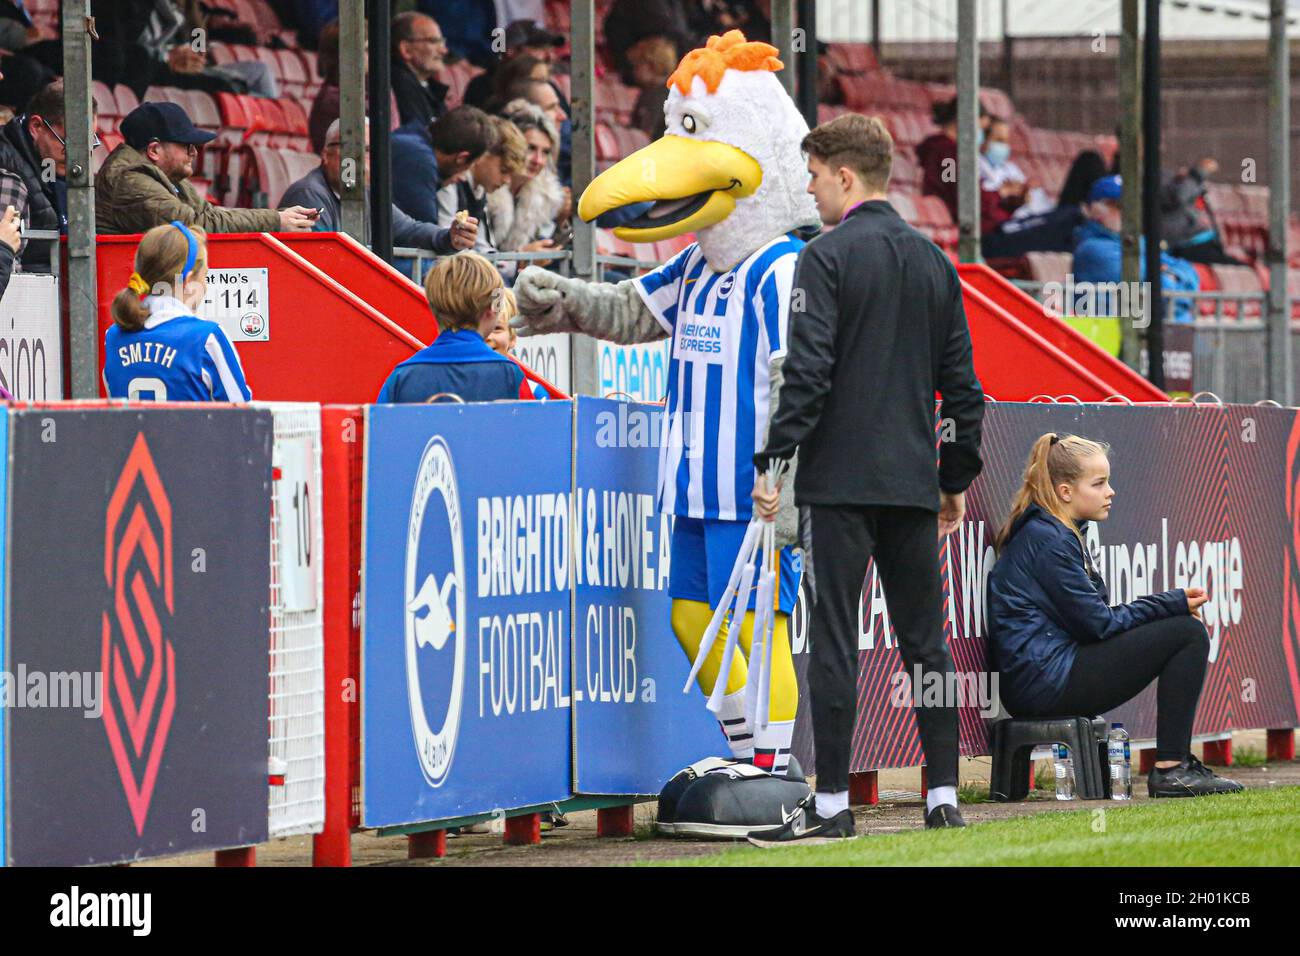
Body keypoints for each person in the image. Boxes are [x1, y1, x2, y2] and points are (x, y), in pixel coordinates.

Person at [750, 113, 985, 844]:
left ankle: (831, 809)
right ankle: (942, 797)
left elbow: (807, 375)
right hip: (911, 485)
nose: (810, 190)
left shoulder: (823, 257)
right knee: (927, 645)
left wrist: (773, 462)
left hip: (838, 485)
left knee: (833, 642)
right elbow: (964, 390)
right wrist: (952, 477)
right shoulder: (935, 262)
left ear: (845, 176)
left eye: (816, 176)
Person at [986, 433, 1244, 798]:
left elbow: (1095, 620)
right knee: (1186, 633)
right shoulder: (1049, 540)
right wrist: (1169, 603)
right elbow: (1099, 625)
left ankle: (1175, 766)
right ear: (1065, 492)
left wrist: (1168, 606)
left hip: (1045, 677)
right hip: (1043, 685)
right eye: (1099, 483)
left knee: (1182, 628)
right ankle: (1172, 770)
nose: (1111, 492)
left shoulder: (1058, 531)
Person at [96, 101, 318, 235]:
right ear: (154, 150)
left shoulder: (166, 176)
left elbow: (209, 214)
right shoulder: (129, 180)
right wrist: (275, 221)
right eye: (187, 146)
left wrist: (280, 216)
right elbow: (195, 226)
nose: (194, 153)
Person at [102, 220, 252, 402]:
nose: (205, 285)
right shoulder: (206, 338)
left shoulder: (114, 336)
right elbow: (242, 414)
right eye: (205, 276)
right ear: (188, 281)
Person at [279, 119, 478, 254]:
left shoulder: (365, 193)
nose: (360, 159)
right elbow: (321, 258)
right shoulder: (309, 194)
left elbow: (410, 230)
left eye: (368, 150)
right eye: (350, 149)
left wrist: (450, 237)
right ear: (326, 155)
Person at [376, 252, 533, 403]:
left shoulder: (401, 377)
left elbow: (379, 421)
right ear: (493, 309)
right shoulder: (510, 375)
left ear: (434, 307)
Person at [1072, 174, 1199, 324]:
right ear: (1096, 209)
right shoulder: (1092, 250)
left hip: (1162, 333)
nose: (1127, 214)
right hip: (1114, 336)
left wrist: (1170, 279)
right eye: (1118, 206)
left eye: (1133, 207)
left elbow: (1191, 274)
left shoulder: (1141, 243)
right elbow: (1159, 293)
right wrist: (1174, 284)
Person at [0, 79, 83, 272]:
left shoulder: (50, 162)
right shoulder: (6, 166)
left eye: (88, 143)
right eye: (68, 141)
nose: (77, 155)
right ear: (36, 127)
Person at [435, 115, 526, 277]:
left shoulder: (479, 192)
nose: (506, 180)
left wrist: (516, 262)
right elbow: (446, 242)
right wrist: (517, 261)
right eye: (503, 170)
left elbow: (483, 247)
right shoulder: (453, 183)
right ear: (484, 156)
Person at [485, 100, 567, 265]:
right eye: (531, 148)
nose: (538, 160)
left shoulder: (546, 197)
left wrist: (561, 224)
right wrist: (520, 259)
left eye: (545, 152)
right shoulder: (485, 187)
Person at [392, 105, 497, 228]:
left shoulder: (413, 136)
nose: (463, 177)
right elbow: (426, 231)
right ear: (461, 158)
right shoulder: (419, 161)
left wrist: (440, 183)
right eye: (471, 164)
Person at [463, 18, 566, 109]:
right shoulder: (483, 88)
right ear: (511, 50)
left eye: (551, 50)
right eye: (541, 48)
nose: (550, 57)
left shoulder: (548, 85)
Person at [1161, 157, 1245, 266]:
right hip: (1184, 242)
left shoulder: (1166, 174)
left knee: (1240, 265)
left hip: (1196, 238)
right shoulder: (1154, 175)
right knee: (1236, 267)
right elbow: (1179, 196)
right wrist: (1196, 175)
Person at [391, 11, 450, 129]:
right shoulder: (399, 85)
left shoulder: (425, 86)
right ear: (406, 49)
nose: (444, 51)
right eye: (433, 41)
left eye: (442, 42)